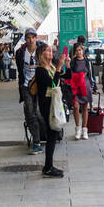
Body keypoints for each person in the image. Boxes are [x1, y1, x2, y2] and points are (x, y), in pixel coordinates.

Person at [32, 44, 63, 177]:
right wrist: (60, 68)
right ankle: (48, 167)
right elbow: (53, 84)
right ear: (42, 54)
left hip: (55, 102)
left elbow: (65, 78)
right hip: (47, 104)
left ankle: (48, 165)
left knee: (54, 134)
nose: (51, 52)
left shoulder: (52, 67)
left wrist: (65, 65)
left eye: (51, 50)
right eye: (48, 50)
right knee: (52, 133)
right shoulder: (40, 70)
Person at [15, 29, 42, 155]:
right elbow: (20, 72)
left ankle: (47, 135)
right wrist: (21, 91)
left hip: (40, 86)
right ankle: (37, 142)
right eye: (28, 37)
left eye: (33, 37)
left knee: (39, 112)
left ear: (36, 38)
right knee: (30, 113)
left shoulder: (42, 50)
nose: (31, 40)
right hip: (26, 86)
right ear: (25, 39)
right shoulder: (20, 53)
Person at [66, 41, 96, 140]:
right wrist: (68, 65)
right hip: (76, 85)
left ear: (82, 50)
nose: (78, 52)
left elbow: (91, 75)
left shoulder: (88, 61)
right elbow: (69, 74)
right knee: (75, 106)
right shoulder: (73, 61)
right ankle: (77, 128)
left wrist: (94, 87)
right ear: (74, 52)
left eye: (80, 50)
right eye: (77, 50)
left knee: (85, 108)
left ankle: (84, 129)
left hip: (85, 85)